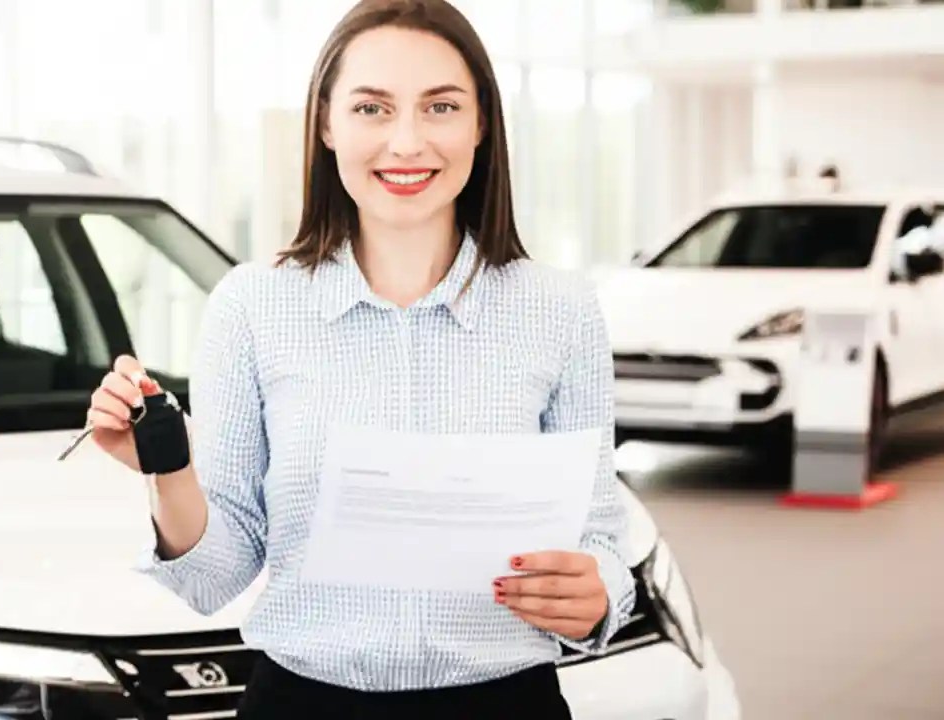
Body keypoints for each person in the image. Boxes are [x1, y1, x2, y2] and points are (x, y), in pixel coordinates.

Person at [85, 0, 634, 716]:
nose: (406, 142)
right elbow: (215, 577)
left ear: (482, 124)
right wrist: (167, 471)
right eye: (372, 109)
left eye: (440, 107)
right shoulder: (252, 307)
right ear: (326, 122)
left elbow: (601, 538)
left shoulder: (561, 311)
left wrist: (597, 594)